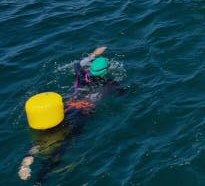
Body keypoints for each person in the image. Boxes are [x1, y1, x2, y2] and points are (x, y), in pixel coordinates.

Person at [18, 47, 126, 182]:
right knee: (64, 144)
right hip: (83, 113)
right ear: (105, 72)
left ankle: (27, 160)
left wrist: (94, 54)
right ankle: (41, 179)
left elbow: (78, 63)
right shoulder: (110, 83)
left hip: (68, 107)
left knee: (45, 134)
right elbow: (122, 92)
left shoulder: (80, 74)